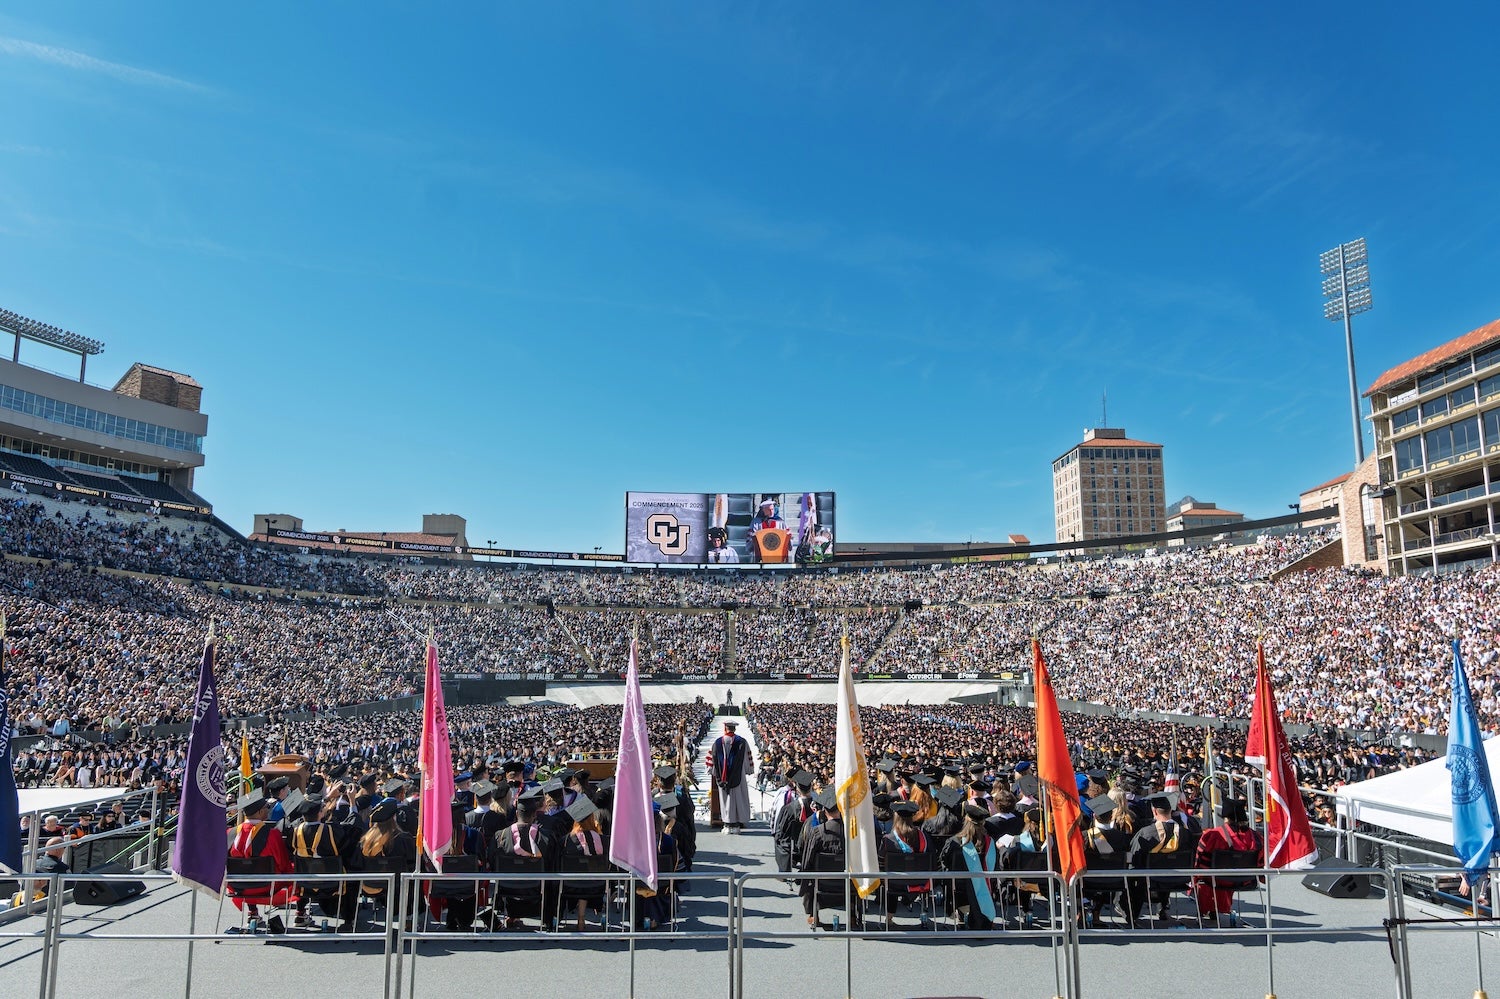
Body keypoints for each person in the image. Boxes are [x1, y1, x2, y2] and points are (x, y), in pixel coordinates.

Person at [228, 790, 296, 929]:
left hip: (238, 886)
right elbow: (283, 863)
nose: (268, 810)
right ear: (259, 812)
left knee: (247, 871)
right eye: (266, 808)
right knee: (301, 872)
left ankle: (253, 913)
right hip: (267, 886)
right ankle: (300, 913)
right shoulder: (272, 834)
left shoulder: (229, 833)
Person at [1192, 798, 1263, 925]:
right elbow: (1261, 861)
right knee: (1224, 875)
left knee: (1205, 877)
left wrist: (1195, 876)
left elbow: (1201, 861)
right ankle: (1219, 908)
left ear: (1226, 818)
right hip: (1246, 879)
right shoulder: (1256, 837)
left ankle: (1205, 910)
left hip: (1217, 879)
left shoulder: (1214, 835)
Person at [938, 803, 999, 930]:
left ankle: (960, 913)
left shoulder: (955, 843)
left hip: (958, 888)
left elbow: (944, 862)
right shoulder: (990, 843)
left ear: (966, 820)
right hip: (985, 889)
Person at [709, 720, 753, 833]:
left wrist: (713, 772)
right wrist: (748, 770)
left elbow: (711, 760)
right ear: (734, 728)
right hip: (739, 776)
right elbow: (748, 760)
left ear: (725, 728)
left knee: (725, 800)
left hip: (722, 776)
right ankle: (737, 825)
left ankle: (727, 825)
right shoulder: (742, 742)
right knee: (738, 798)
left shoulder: (717, 742)